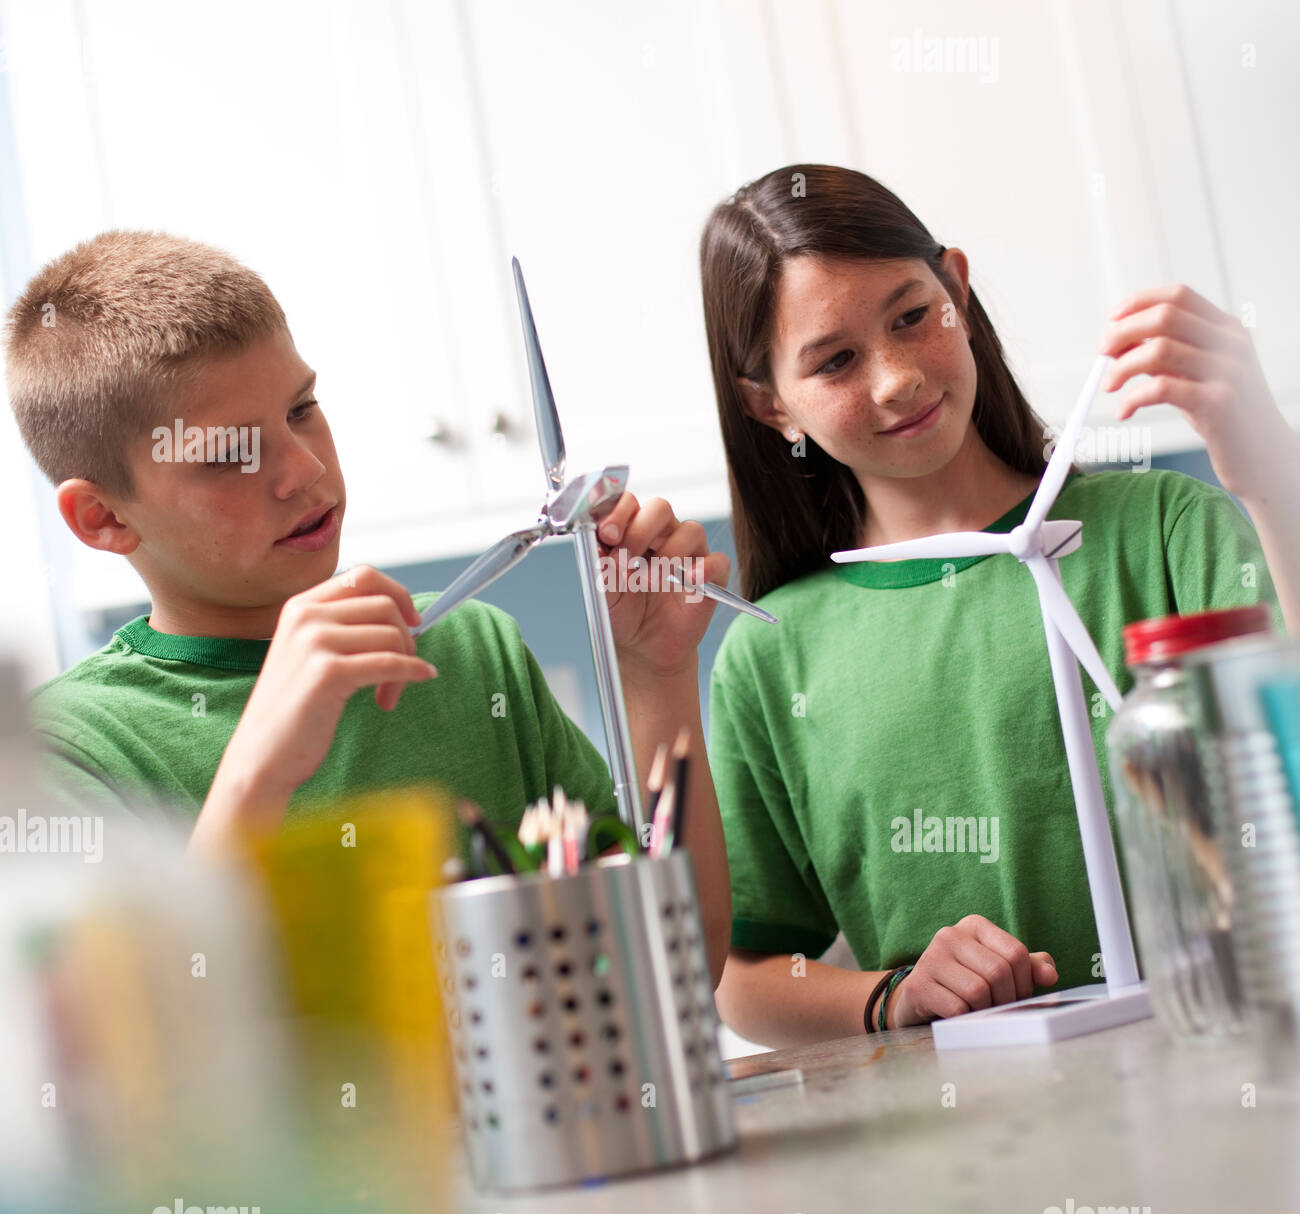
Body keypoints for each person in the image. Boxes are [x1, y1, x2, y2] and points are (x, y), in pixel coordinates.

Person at [6, 230, 734, 984]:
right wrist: (256, 773)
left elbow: (677, 966)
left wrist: (655, 672)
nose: (304, 468)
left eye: (301, 408)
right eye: (228, 454)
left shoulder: (467, 647)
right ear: (103, 518)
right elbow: (130, 1077)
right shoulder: (64, 752)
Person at [699, 164, 1296, 1046]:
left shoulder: (1169, 530)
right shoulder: (770, 652)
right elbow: (745, 976)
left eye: (912, 315)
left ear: (958, 291)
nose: (898, 378)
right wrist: (893, 997)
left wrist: (1272, 475)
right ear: (769, 405)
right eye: (835, 360)